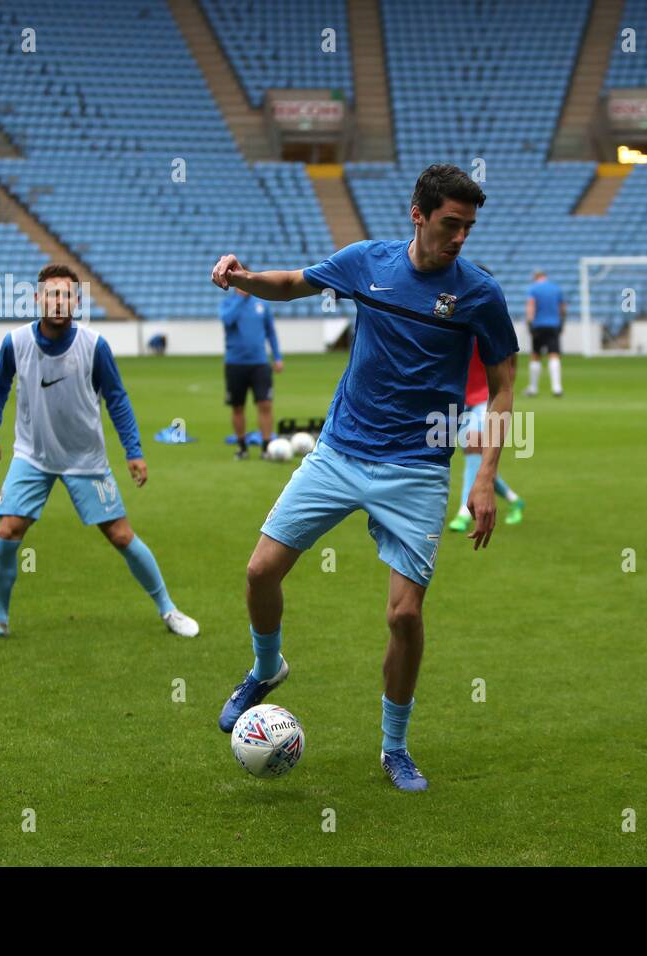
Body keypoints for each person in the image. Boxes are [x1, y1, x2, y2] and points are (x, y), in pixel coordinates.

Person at [209, 164, 518, 791]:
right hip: (340, 451)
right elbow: (293, 283)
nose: (460, 237)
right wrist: (242, 279)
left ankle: (394, 747)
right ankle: (267, 669)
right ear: (419, 215)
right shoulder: (366, 262)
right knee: (259, 570)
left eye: (469, 226)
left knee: (405, 617)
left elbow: (506, 385)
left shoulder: (480, 293)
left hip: (420, 467)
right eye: (450, 224)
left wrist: (484, 476)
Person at [0, 264, 200, 643]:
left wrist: (134, 451)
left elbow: (117, 399)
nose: (58, 302)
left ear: (76, 301)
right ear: (38, 299)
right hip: (33, 455)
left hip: (85, 459)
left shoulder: (94, 345)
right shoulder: (16, 342)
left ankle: (169, 609)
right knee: (7, 530)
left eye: (66, 295)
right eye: (51, 294)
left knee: (121, 536)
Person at [448, 338, 524, 532]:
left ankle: (464, 511)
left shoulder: (486, 314)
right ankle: (513, 499)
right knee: (478, 460)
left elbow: (511, 353)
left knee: (474, 445)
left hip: (486, 395)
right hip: (459, 397)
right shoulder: (450, 317)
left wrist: (507, 385)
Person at [220, 282, 283, 460]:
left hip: (260, 363)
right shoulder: (228, 303)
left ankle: (266, 447)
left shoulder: (262, 304)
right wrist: (240, 298)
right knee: (238, 406)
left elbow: (271, 332)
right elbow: (227, 320)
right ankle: (242, 447)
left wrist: (277, 357)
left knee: (265, 404)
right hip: (235, 363)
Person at [523, 269, 565, 397]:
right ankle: (557, 387)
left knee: (536, 355)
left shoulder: (533, 289)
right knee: (554, 354)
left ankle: (533, 388)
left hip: (539, 325)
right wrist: (562, 322)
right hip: (553, 325)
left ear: (536, 277)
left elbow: (531, 305)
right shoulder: (556, 289)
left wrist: (530, 322)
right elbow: (562, 307)